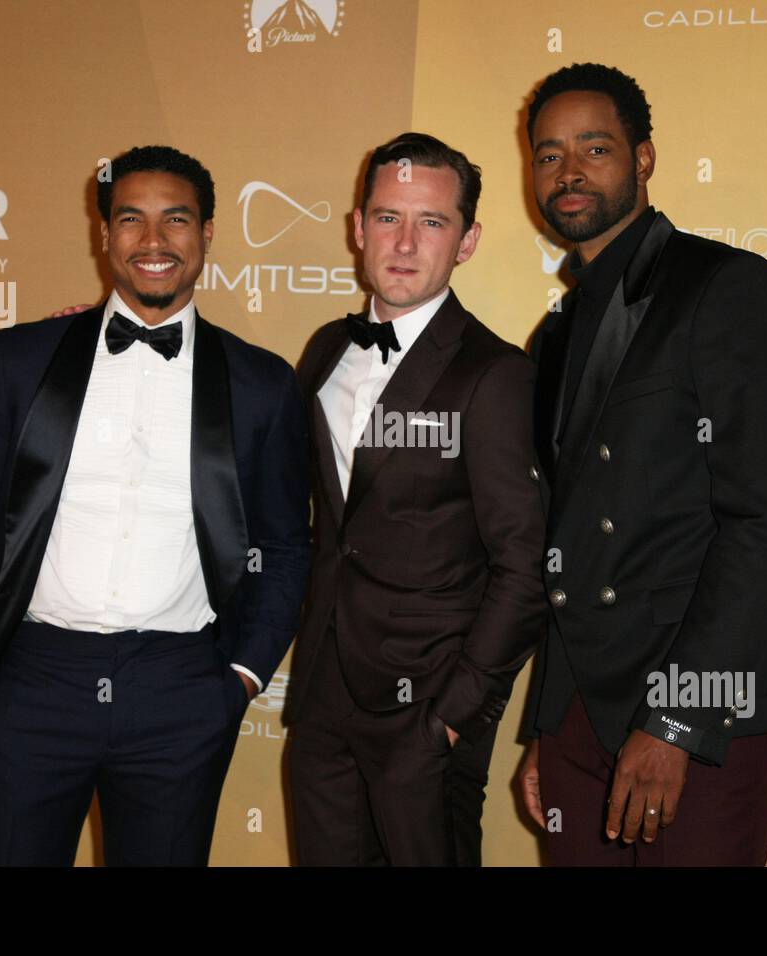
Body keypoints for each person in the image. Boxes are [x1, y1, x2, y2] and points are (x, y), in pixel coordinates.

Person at [0, 145, 310, 866]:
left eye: (176, 220)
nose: (154, 241)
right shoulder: (19, 359)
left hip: (182, 693)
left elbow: (286, 547)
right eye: (131, 219)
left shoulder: (261, 384)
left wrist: (241, 679)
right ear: (104, 234)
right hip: (33, 683)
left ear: (206, 234)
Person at [516, 64, 767, 866]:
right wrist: (551, 725)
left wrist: (677, 721)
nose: (569, 171)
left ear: (645, 157)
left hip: (702, 709)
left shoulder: (728, 287)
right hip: (582, 711)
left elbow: (763, 521)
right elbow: (567, 540)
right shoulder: (553, 338)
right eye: (549, 154)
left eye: (595, 147)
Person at [285, 132, 546, 866]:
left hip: (426, 709)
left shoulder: (494, 375)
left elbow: (524, 566)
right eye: (387, 217)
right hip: (324, 698)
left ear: (467, 241)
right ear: (356, 227)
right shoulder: (324, 351)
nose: (404, 243)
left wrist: (455, 718)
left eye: (431, 222)